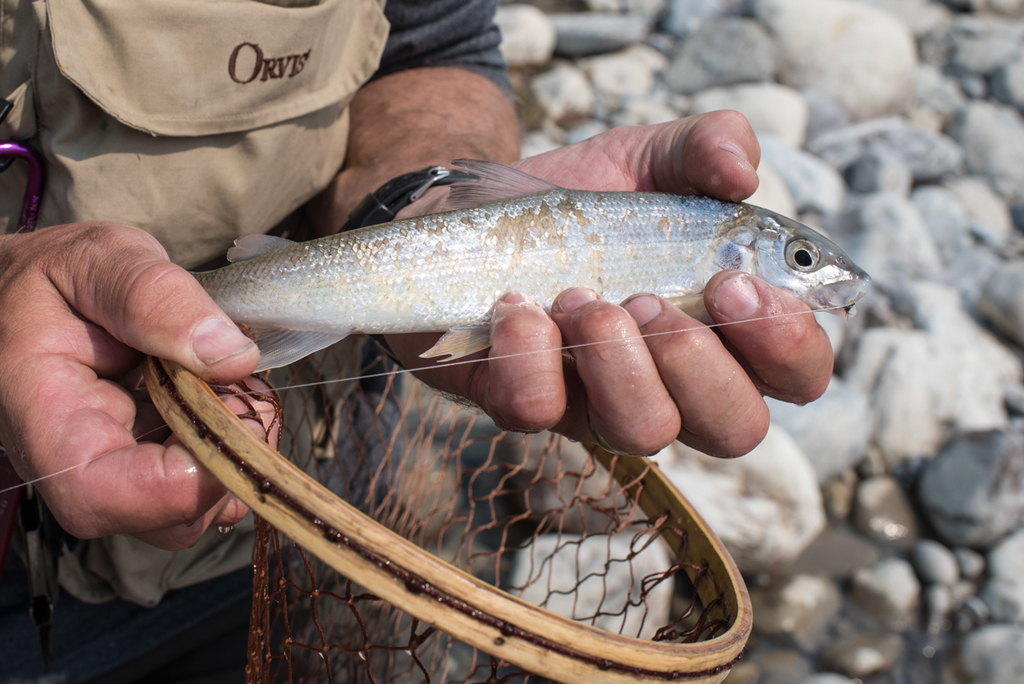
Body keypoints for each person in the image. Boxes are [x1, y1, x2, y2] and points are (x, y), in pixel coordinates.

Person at [0, 0, 833, 679]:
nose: (819, 277)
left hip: (266, 513)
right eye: (802, 260)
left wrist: (420, 197)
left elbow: (433, 42)